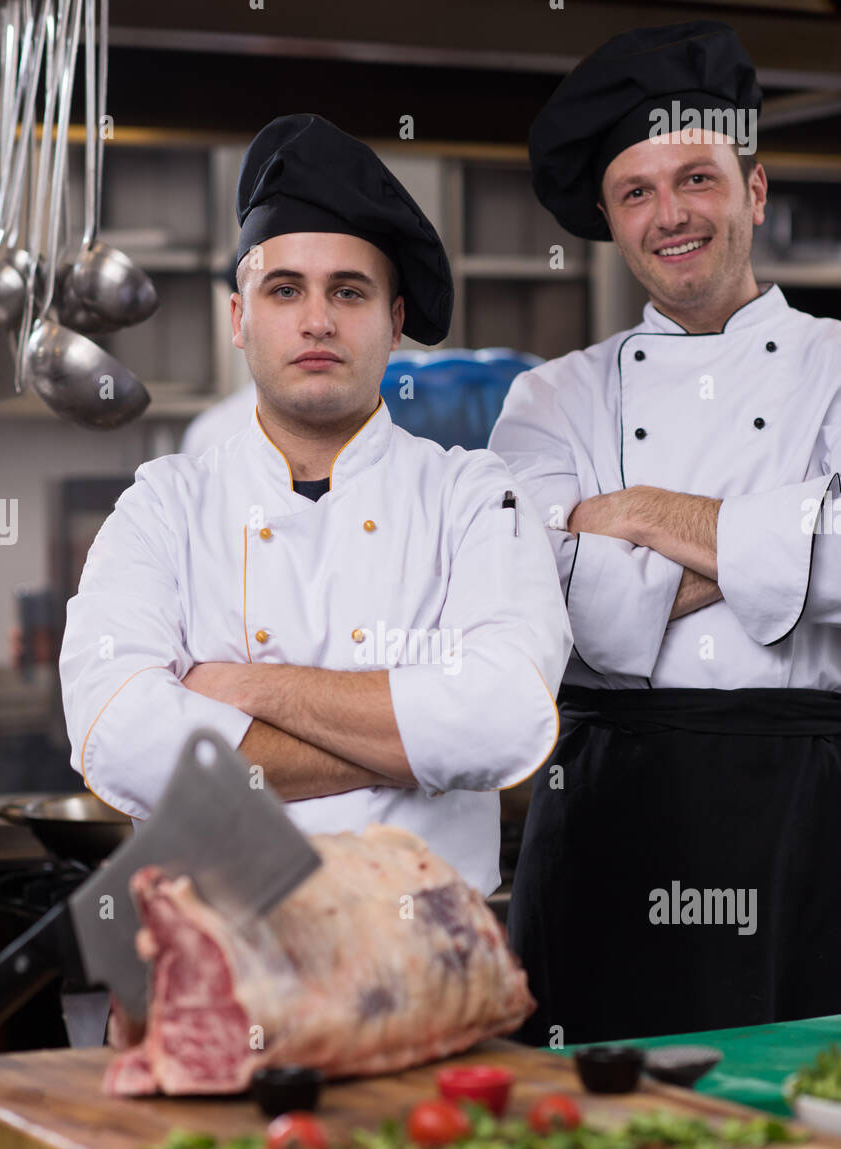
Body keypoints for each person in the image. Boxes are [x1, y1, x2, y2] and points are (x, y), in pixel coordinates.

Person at [59, 114, 572, 895]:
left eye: (349, 291)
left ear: (394, 323)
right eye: (285, 288)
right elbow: (119, 740)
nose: (316, 320)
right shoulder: (163, 505)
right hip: (222, 960)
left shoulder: (474, 496)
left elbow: (504, 717)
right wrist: (413, 751)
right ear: (240, 318)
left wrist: (251, 689)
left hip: (421, 966)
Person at [489, 21, 841, 1042]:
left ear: (755, 191)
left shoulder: (832, 362)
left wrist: (636, 517)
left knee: (805, 1124)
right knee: (595, 1125)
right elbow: (546, 601)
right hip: (609, 809)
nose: (670, 214)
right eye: (636, 191)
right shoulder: (547, 399)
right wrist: (790, 537)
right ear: (608, 216)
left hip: (809, 813)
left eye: (697, 178)